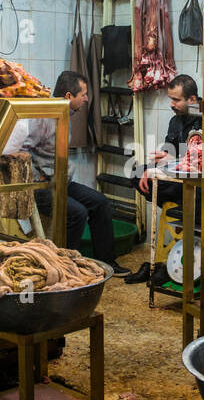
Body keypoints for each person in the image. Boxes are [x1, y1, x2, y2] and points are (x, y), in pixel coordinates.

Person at [15, 70, 129, 275]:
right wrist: (35, 176)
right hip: (42, 187)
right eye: (83, 94)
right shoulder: (43, 116)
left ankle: (107, 261)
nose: (86, 99)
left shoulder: (66, 114)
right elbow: (23, 150)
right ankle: (64, 266)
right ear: (68, 96)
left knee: (100, 203)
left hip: (61, 182)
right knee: (78, 213)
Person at [125, 74, 203, 284]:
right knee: (136, 173)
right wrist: (155, 166)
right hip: (176, 178)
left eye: (176, 100)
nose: (172, 104)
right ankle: (171, 205)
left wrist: (174, 160)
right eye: (171, 99)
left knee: (195, 190)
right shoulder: (175, 121)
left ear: (193, 100)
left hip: (199, 183)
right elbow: (167, 155)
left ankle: (164, 262)